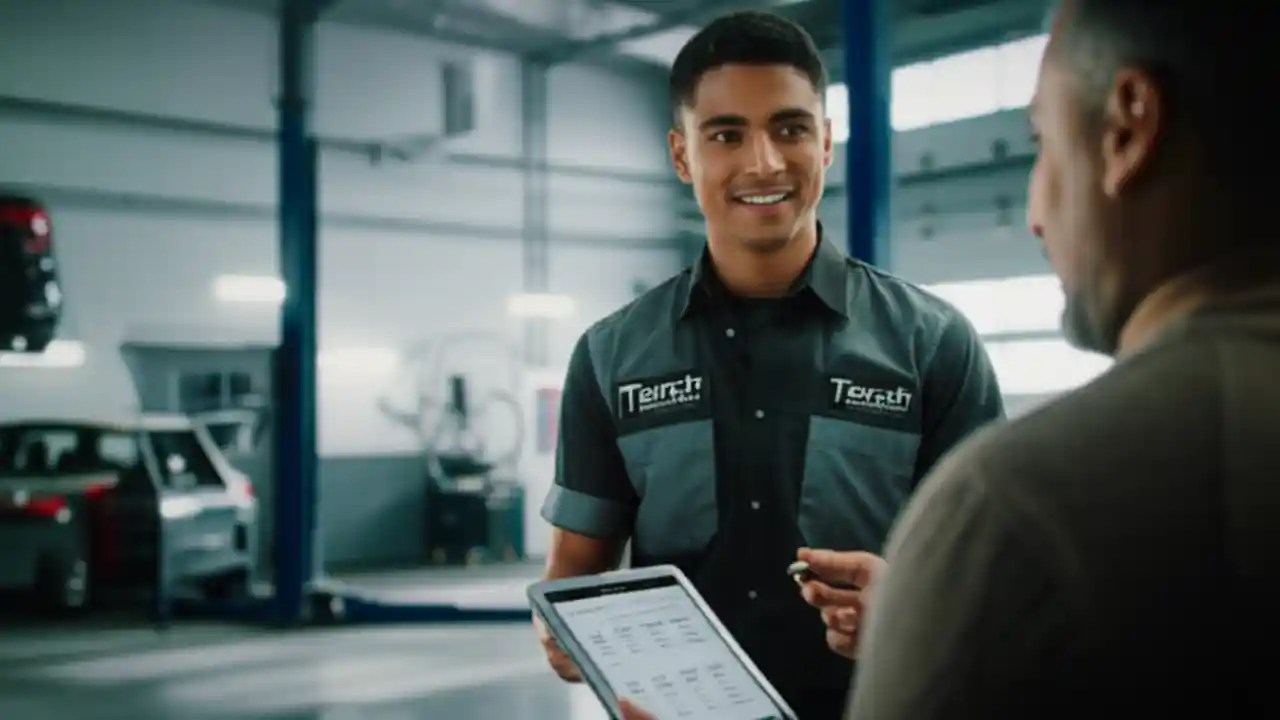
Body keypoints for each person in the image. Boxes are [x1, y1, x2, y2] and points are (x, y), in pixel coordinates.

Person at [534, 10, 1004, 719]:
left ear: (827, 143)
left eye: (790, 129)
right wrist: (564, 635)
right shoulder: (610, 356)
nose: (763, 163)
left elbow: (994, 581)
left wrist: (911, 613)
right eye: (726, 134)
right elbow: (573, 577)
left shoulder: (932, 343)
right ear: (682, 155)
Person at [836, 1, 1280, 718]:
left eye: (1043, 141)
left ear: (1128, 128)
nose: (1036, 213)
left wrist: (967, 586)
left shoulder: (1010, 508)